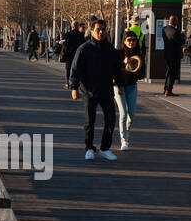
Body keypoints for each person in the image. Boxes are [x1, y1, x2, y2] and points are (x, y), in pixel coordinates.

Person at [69, 19, 119, 160]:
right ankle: (89, 148)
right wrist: (74, 87)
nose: (101, 32)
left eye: (103, 29)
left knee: (110, 120)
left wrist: (120, 84)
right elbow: (75, 69)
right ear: (92, 31)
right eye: (98, 29)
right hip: (88, 91)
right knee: (90, 121)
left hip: (106, 90)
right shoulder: (84, 49)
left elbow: (117, 70)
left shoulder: (111, 50)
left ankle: (105, 148)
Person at [115, 24, 145, 149]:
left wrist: (135, 68)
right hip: (118, 86)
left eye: (133, 40)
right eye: (129, 40)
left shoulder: (139, 55)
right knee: (123, 112)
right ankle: (124, 140)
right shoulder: (118, 53)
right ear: (124, 41)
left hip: (132, 86)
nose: (131, 42)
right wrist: (123, 63)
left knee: (131, 114)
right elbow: (113, 70)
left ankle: (127, 129)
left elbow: (142, 74)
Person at [162, 15, 185, 95]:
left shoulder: (164, 29)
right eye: (177, 21)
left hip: (167, 54)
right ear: (174, 22)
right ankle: (169, 90)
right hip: (175, 55)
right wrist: (182, 35)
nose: (178, 23)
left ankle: (165, 88)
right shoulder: (176, 31)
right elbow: (181, 42)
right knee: (173, 73)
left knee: (168, 71)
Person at [60, 21, 85, 88]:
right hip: (78, 54)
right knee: (77, 69)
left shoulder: (68, 34)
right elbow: (83, 44)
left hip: (69, 54)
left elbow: (66, 44)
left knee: (68, 69)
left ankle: (67, 83)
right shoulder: (81, 34)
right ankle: (76, 83)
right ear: (77, 26)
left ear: (72, 26)